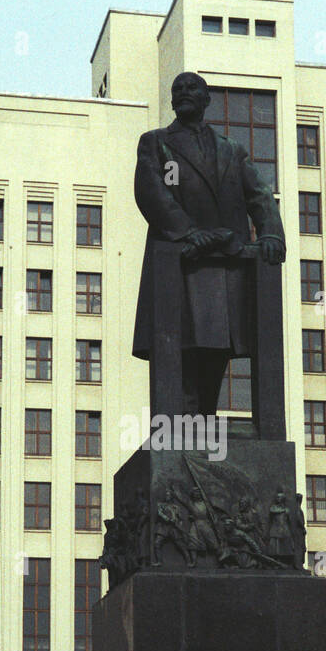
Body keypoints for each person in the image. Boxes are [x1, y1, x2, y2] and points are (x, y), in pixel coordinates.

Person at [132, 71, 286, 416]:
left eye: (191, 88)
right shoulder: (156, 142)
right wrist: (187, 231)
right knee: (180, 350)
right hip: (180, 264)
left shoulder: (231, 150)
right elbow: (150, 190)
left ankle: (202, 424)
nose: (183, 93)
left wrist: (271, 233)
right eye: (177, 89)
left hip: (223, 270)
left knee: (216, 350)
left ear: (206, 99)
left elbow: (260, 194)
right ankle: (182, 431)